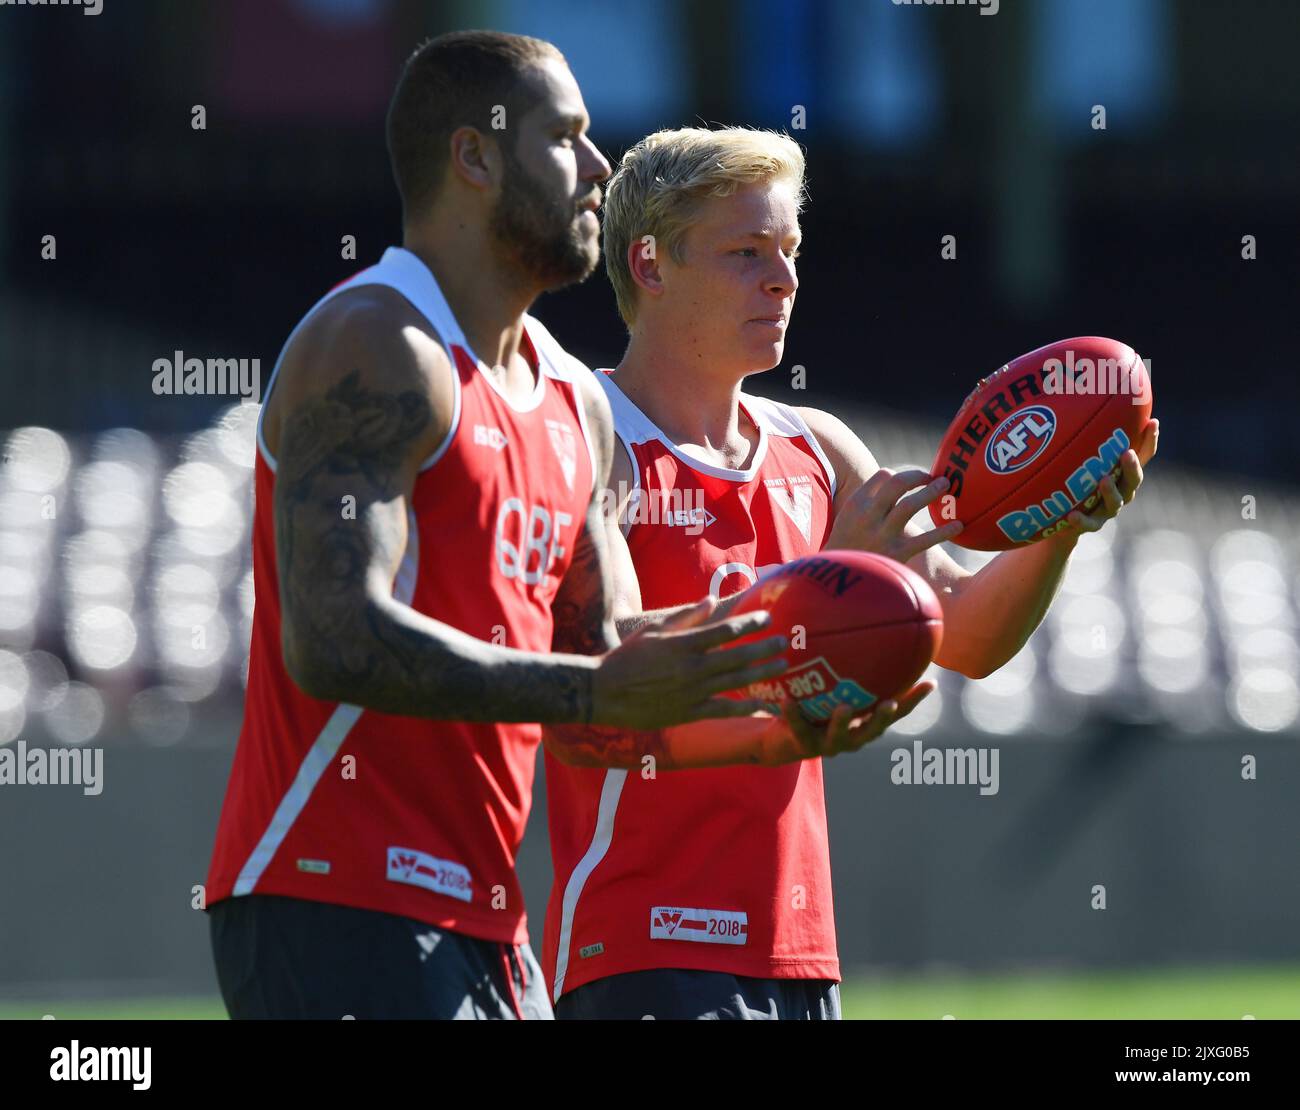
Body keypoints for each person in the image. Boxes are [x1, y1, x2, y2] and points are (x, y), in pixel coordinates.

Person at [204, 36, 883, 1022]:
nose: (601, 169)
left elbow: (605, 689)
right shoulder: (376, 343)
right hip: (329, 886)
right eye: (565, 139)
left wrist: (788, 695)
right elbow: (336, 638)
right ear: (474, 159)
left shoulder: (572, 399)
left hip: (489, 919)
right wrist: (598, 683)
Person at [543, 126, 1159, 1020]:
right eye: (746, 253)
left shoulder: (817, 446)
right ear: (648, 262)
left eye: (789, 251)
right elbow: (608, 673)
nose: (784, 279)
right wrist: (843, 580)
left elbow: (972, 637)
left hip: (799, 953)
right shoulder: (584, 433)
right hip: (641, 942)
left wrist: (1057, 525)